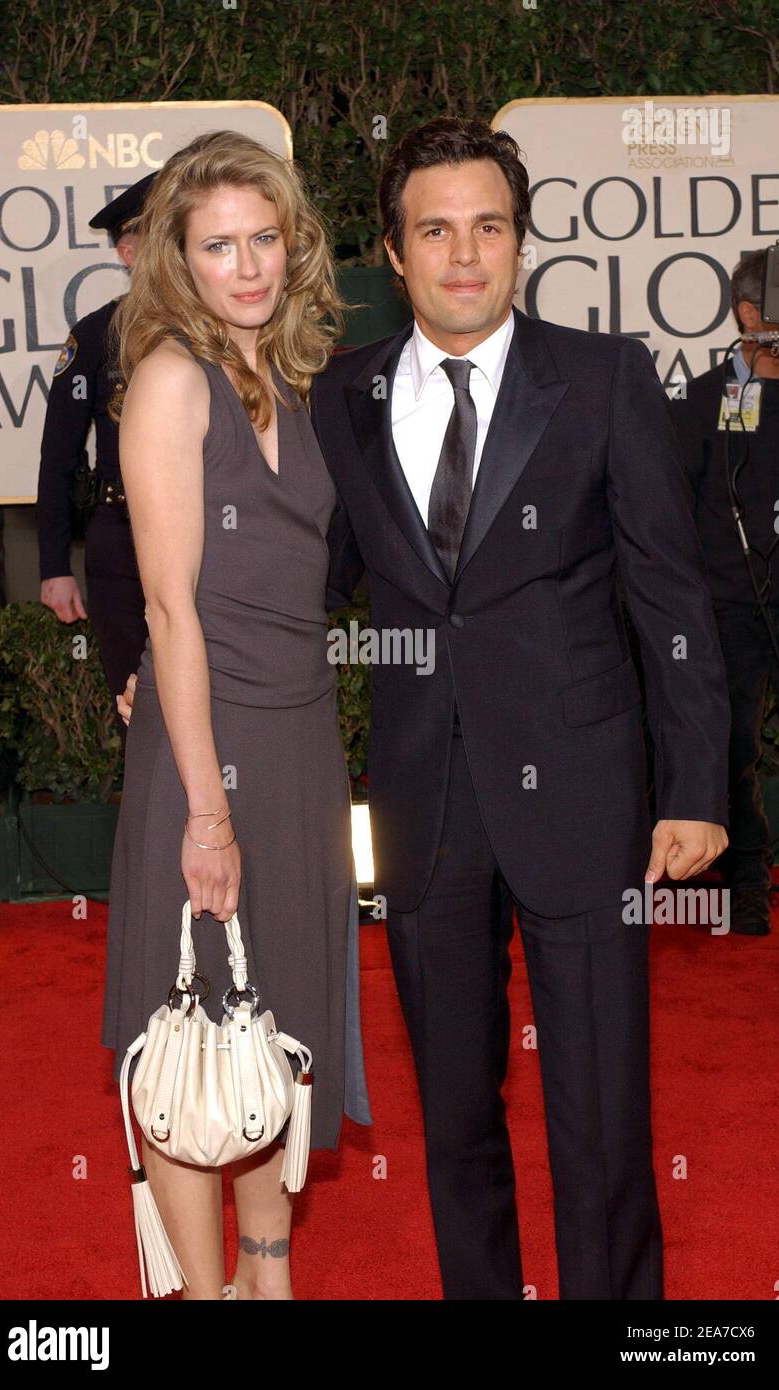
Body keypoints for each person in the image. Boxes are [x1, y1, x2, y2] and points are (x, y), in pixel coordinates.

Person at [121, 116, 730, 1301]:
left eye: (488, 228)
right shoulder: (337, 396)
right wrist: (145, 654)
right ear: (391, 256)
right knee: (453, 1116)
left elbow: (671, 589)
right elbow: (273, 564)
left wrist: (698, 786)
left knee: (603, 1116)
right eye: (434, 231)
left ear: (520, 243)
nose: (464, 256)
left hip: (586, 799)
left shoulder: (602, 377)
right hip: (420, 806)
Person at [101, 130, 371, 1302]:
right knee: (192, 1020)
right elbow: (169, 605)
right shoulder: (171, 375)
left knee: (276, 1023)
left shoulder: (291, 373)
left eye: (264, 238)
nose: (248, 265)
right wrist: (206, 811)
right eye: (219, 244)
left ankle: (269, 1282)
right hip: (211, 754)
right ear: (178, 256)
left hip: (302, 736)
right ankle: (200, 1298)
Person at [670, 247, 779, 936]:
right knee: (730, 749)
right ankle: (747, 878)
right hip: (726, 607)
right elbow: (673, 515)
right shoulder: (700, 405)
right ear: (751, 313)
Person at [36, 174, 155, 734]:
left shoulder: (224, 327)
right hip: (122, 538)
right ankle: (155, 823)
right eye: (154, 235)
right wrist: (55, 566)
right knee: (138, 704)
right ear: (126, 251)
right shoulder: (95, 334)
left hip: (218, 534)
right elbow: (58, 456)